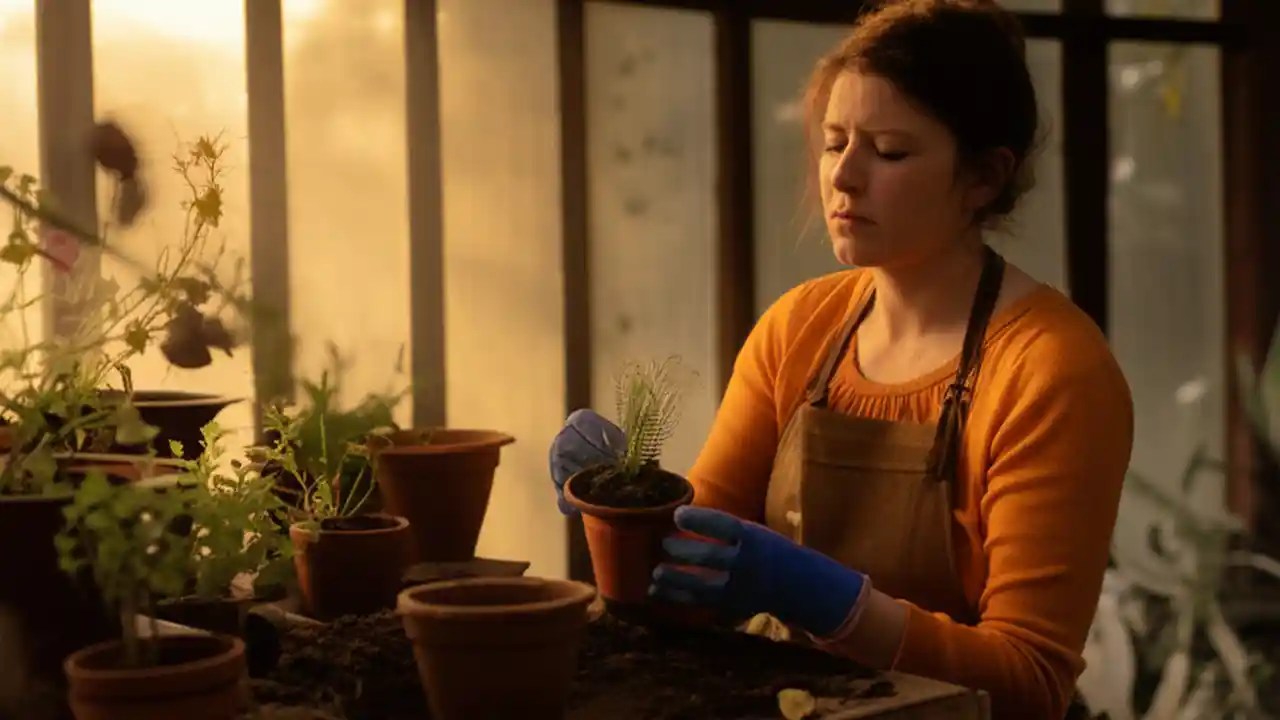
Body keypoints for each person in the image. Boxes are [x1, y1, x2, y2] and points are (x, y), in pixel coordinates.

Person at [550, 1, 1133, 718]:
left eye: (889, 151)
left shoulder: (1051, 371)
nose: (844, 178)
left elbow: (1028, 682)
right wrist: (622, 510)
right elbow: (681, 582)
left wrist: (832, 602)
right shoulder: (800, 328)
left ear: (983, 178)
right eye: (834, 143)